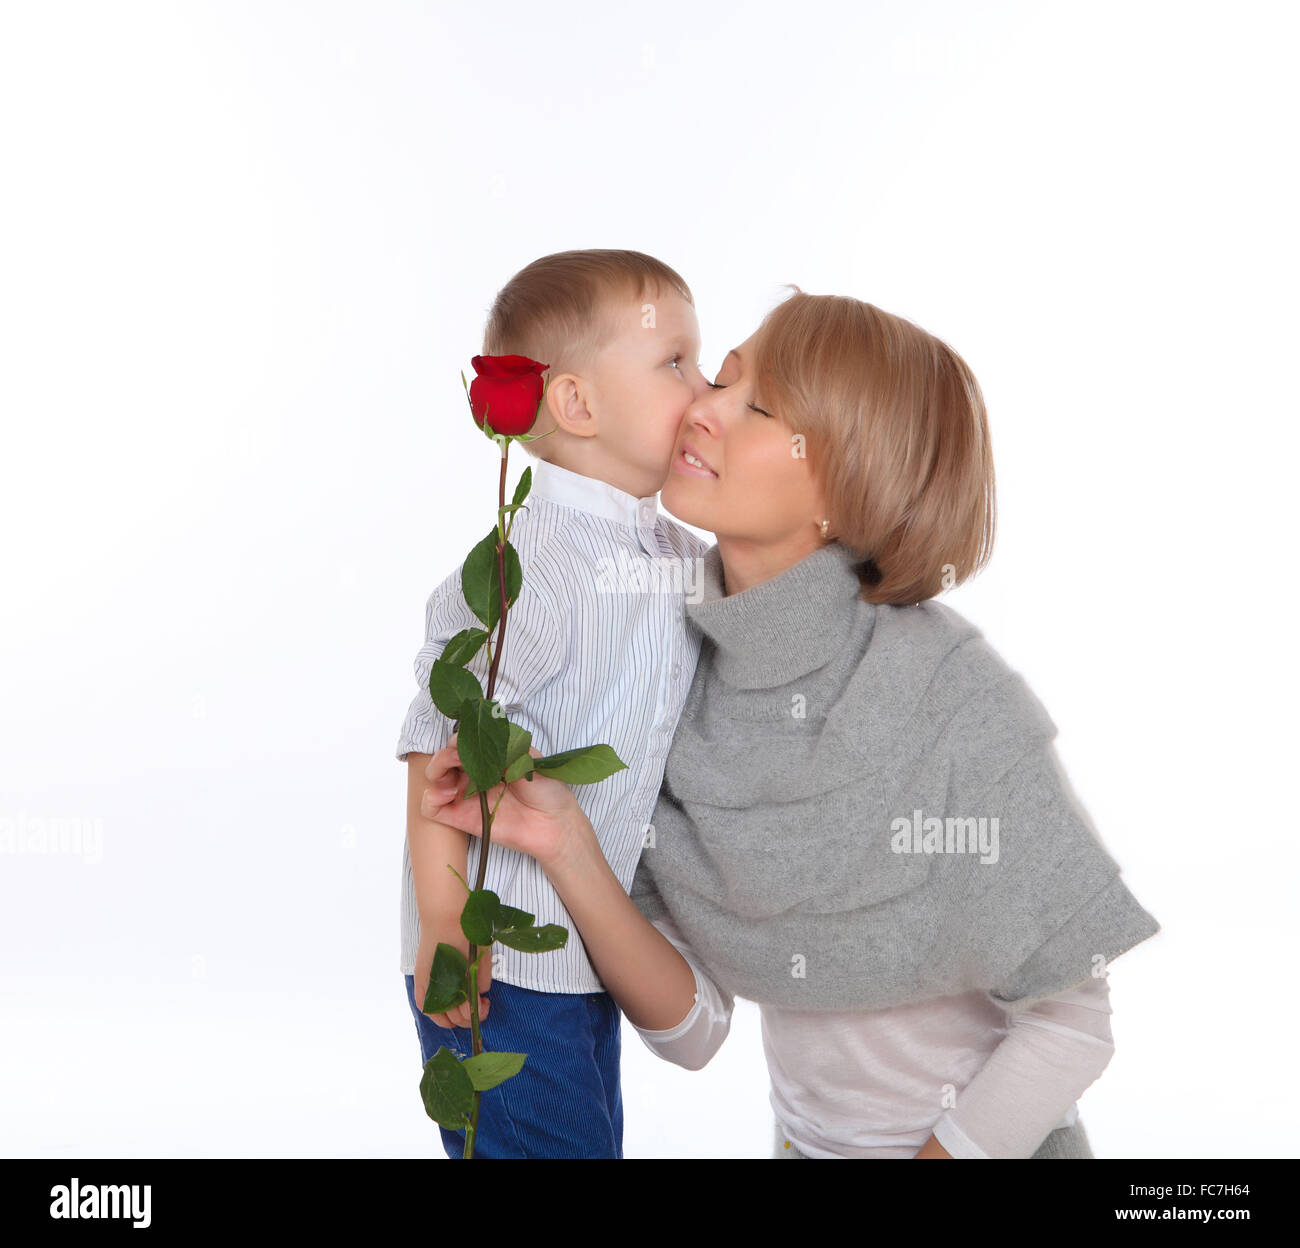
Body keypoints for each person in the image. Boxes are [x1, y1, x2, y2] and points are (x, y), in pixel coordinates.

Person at [420, 288, 1162, 1159]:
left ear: (851, 484)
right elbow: (693, 1032)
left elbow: (1074, 1020)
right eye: (719, 379)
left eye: (757, 405)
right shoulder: (674, 673)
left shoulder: (950, 696)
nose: (703, 407)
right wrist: (570, 849)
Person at [395, 249, 713, 1157]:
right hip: (501, 965)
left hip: (584, 954)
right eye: (673, 363)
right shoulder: (536, 561)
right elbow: (436, 733)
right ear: (575, 405)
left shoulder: (672, 552)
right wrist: (447, 922)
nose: (702, 388)